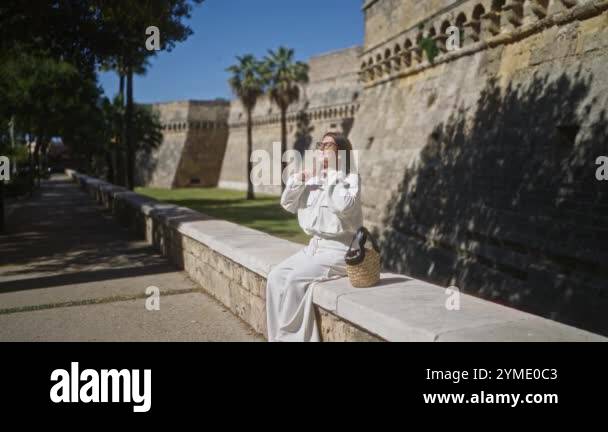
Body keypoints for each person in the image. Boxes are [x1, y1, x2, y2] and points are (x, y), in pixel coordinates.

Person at [266, 132, 363, 342]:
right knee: (275, 278)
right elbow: (287, 203)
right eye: (321, 145)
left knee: (294, 281)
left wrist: (331, 177)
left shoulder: (350, 179)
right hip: (313, 249)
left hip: (339, 251)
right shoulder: (313, 179)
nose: (321, 148)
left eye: (328, 145)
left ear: (342, 153)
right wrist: (301, 178)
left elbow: (344, 206)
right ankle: (276, 338)